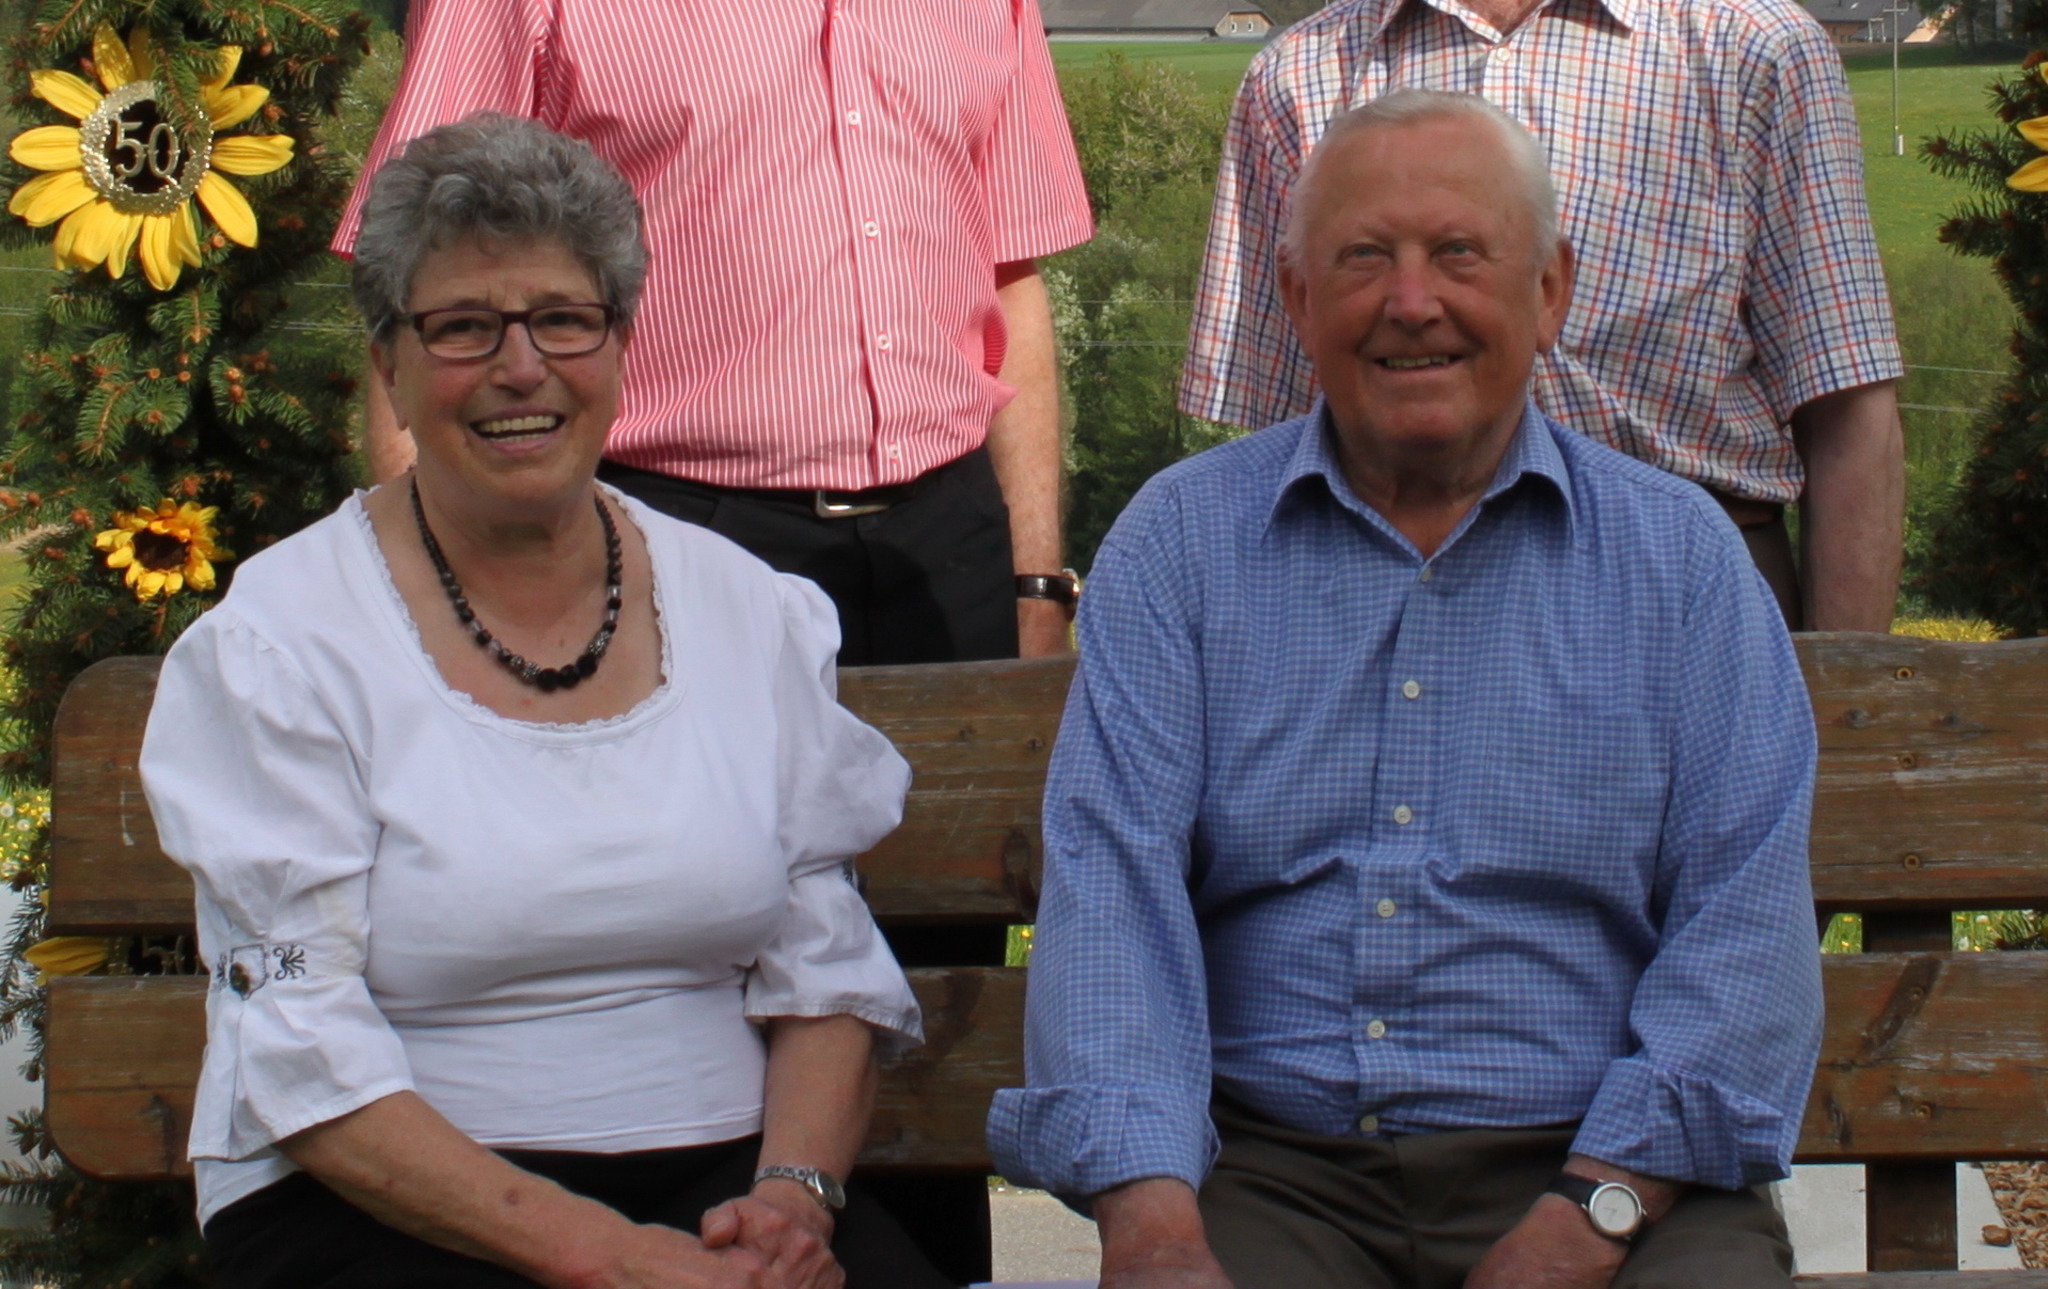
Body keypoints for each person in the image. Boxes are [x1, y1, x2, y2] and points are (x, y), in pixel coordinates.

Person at [990, 92, 1824, 1289]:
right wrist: (1154, 1226)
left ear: (1549, 290)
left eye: (1459, 253)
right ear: (1294, 299)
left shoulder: (1680, 562)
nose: (1411, 300)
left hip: (1614, 1170)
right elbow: (1110, 897)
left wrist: (1588, 1216)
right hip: (1278, 1170)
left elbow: (1744, 930)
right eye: (1362, 258)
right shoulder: (1181, 546)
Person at [139, 113, 950, 1289]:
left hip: (725, 1195)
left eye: (564, 319)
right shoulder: (282, 640)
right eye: (463, 326)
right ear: (388, 366)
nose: (520, 367)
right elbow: (296, 1047)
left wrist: (790, 1202)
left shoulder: (744, 608)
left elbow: (823, 962)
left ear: (620, 347)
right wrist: (609, 1258)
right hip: (385, 1200)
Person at [332, 0, 1095, 666]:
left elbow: (1009, 277)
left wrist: (1035, 586)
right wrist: (438, 609)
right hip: (662, 539)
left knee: (963, 798)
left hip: (952, 548)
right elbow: (419, 285)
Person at [1180, 0, 1904, 633]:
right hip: (1364, 593)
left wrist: (1846, 707)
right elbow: (1276, 434)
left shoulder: (1754, 48)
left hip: (1683, 596)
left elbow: (1847, 406)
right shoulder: (1299, 73)